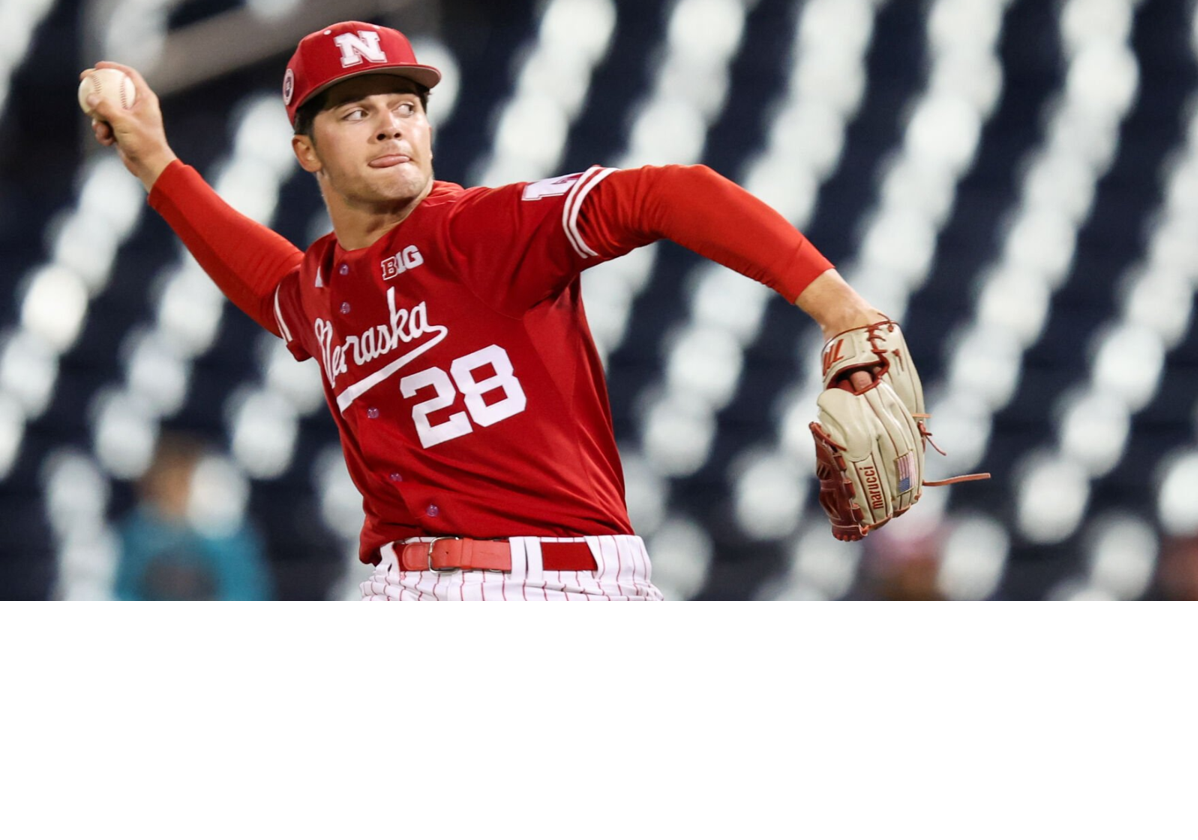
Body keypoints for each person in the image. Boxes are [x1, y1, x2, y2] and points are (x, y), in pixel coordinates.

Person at [81, 20, 897, 601]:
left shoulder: (477, 229)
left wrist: (840, 309)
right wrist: (153, 160)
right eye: (356, 112)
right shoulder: (324, 287)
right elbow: (268, 282)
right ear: (306, 151)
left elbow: (668, 193)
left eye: (405, 105)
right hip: (414, 579)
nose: (390, 127)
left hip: (556, 579)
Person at [115, 432, 272, 601]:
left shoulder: (227, 537)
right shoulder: (138, 533)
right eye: (165, 482)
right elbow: (122, 588)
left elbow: (247, 590)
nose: (172, 491)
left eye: (181, 481)